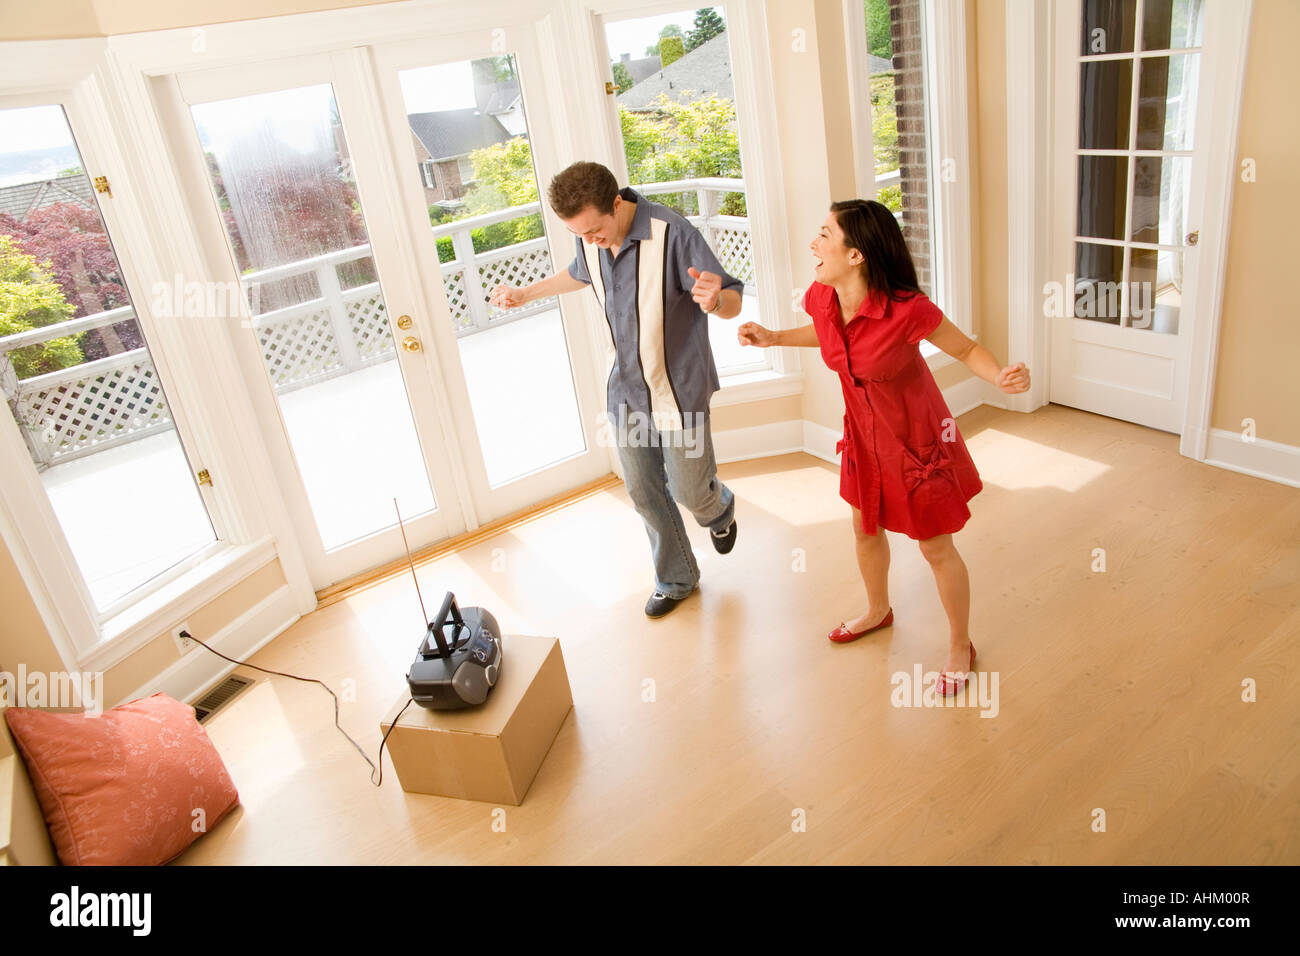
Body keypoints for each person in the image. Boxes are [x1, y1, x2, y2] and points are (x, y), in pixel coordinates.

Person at [737, 199, 1030, 695]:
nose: (814, 243)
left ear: (856, 255)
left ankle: (961, 643)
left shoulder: (907, 309)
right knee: (864, 528)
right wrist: (773, 337)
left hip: (916, 444)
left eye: (825, 234)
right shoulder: (823, 297)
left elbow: (965, 348)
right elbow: (829, 336)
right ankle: (877, 610)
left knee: (935, 547)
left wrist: (999, 376)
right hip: (864, 438)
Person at [488, 161, 744, 618]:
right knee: (644, 491)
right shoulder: (589, 238)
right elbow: (580, 271)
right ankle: (677, 578)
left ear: (617, 203)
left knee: (688, 490)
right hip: (624, 390)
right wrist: (526, 293)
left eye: (594, 230)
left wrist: (717, 299)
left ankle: (718, 508)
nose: (590, 240)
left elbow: (730, 297)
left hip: (676, 390)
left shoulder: (672, 233)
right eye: (579, 233)